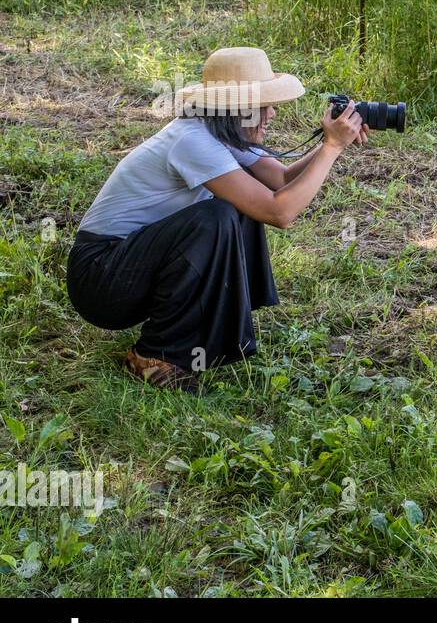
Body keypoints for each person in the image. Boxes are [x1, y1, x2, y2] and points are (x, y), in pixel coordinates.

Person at [66, 47, 368, 391]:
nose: (270, 114)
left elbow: (282, 180)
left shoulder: (219, 131)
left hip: (127, 265)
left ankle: (216, 322)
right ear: (235, 109)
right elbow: (279, 211)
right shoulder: (191, 140)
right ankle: (152, 355)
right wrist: (331, 148)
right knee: (219, 214)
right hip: (100, 279)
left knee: (235, 202)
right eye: (262, 106)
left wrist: (334, 141)